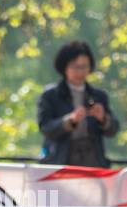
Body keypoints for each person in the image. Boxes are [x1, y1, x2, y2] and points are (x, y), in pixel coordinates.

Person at [37, 40, 119, 168]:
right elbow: (46, 128)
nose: (81, 72)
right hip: (60, 161)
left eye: (85, 66)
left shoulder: (99, 96)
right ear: (64, 67)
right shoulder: (51, 95)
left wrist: (103, 119)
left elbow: (113, 130)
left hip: (93, 161)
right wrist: (70, 120)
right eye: (76, 67)